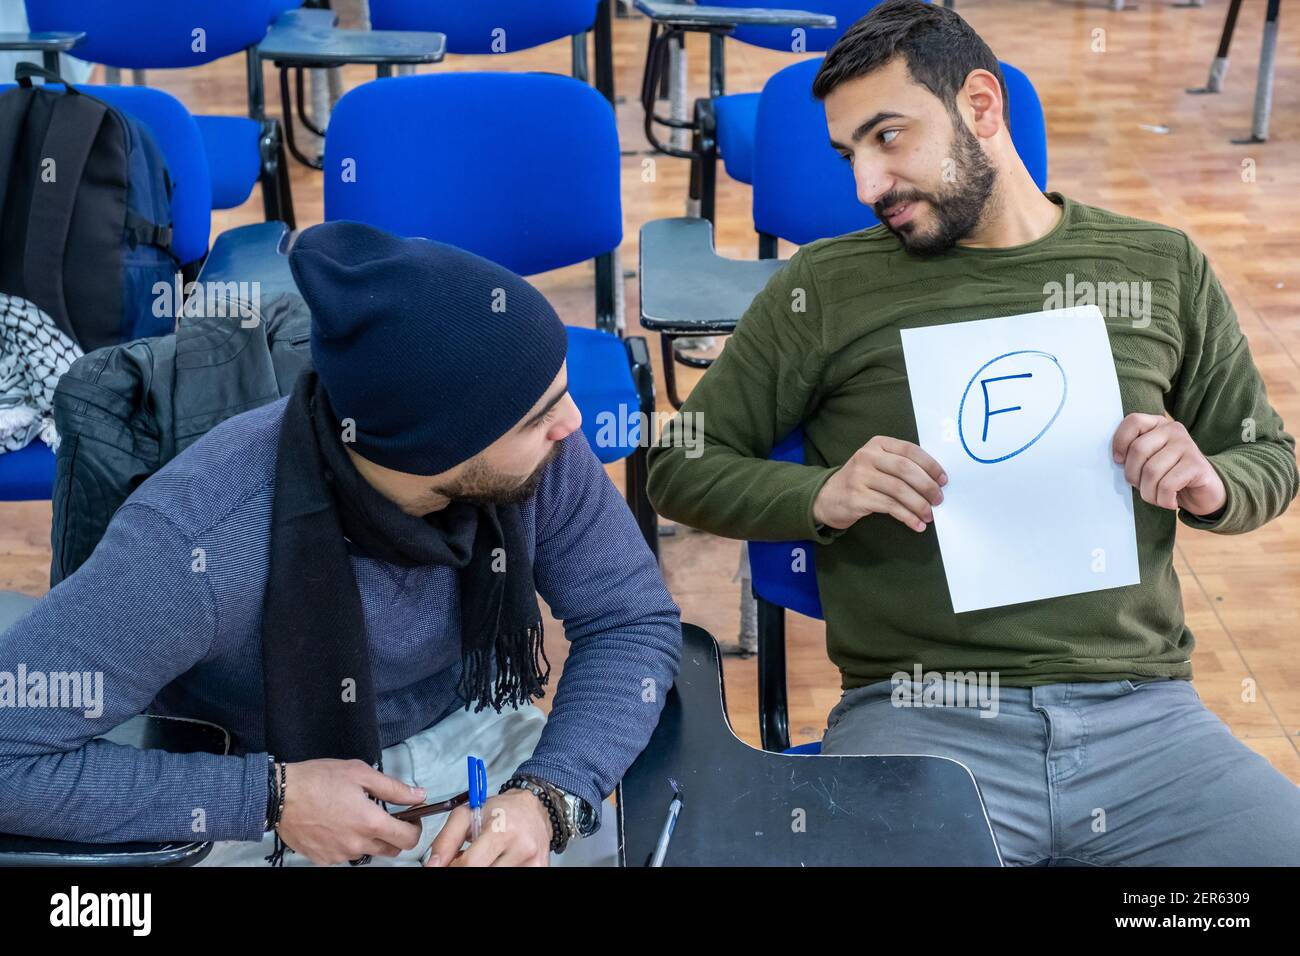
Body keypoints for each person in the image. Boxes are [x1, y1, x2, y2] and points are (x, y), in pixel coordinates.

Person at [647, 0, 1300, 865]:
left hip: (1143, 717)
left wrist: (1210, 482)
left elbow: (1268, 458)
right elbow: (678, 467)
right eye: (849, 156)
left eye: (888, 138)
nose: (865, 187)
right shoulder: (827, 286)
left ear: (982, 107)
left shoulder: (1160, 265)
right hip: (919, 716)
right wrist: (822, 493)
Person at [0, 220, 682, 867]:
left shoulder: (539, 452)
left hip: (470, 749)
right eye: (540, 415)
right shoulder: (193, 543)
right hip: (251, 779)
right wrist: (268, 799)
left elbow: (631, 619)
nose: (574, 421)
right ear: (432, 448)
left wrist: (547, 796)